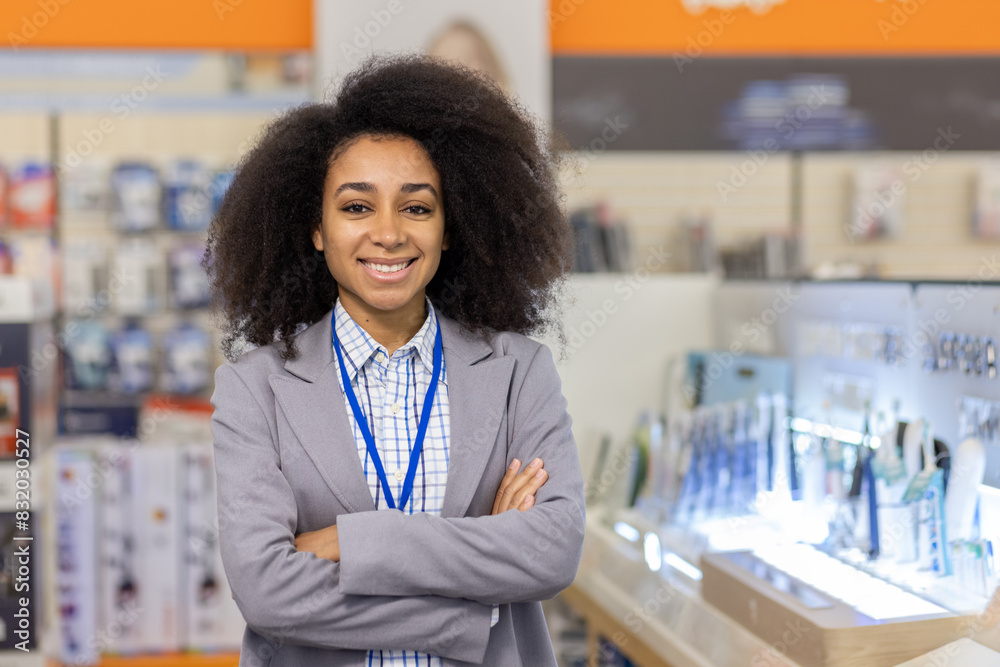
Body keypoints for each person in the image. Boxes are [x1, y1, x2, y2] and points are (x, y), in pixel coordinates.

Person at [204, 53, 586, 666]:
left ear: (449, 226)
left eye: (416, 207)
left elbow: (551, 551)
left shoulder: (519, 371)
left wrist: (355, 543)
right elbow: (269, 593)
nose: (388, 233)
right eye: (357, 207)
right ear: (316, 228)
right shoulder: (255, 389)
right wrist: (476, 596)